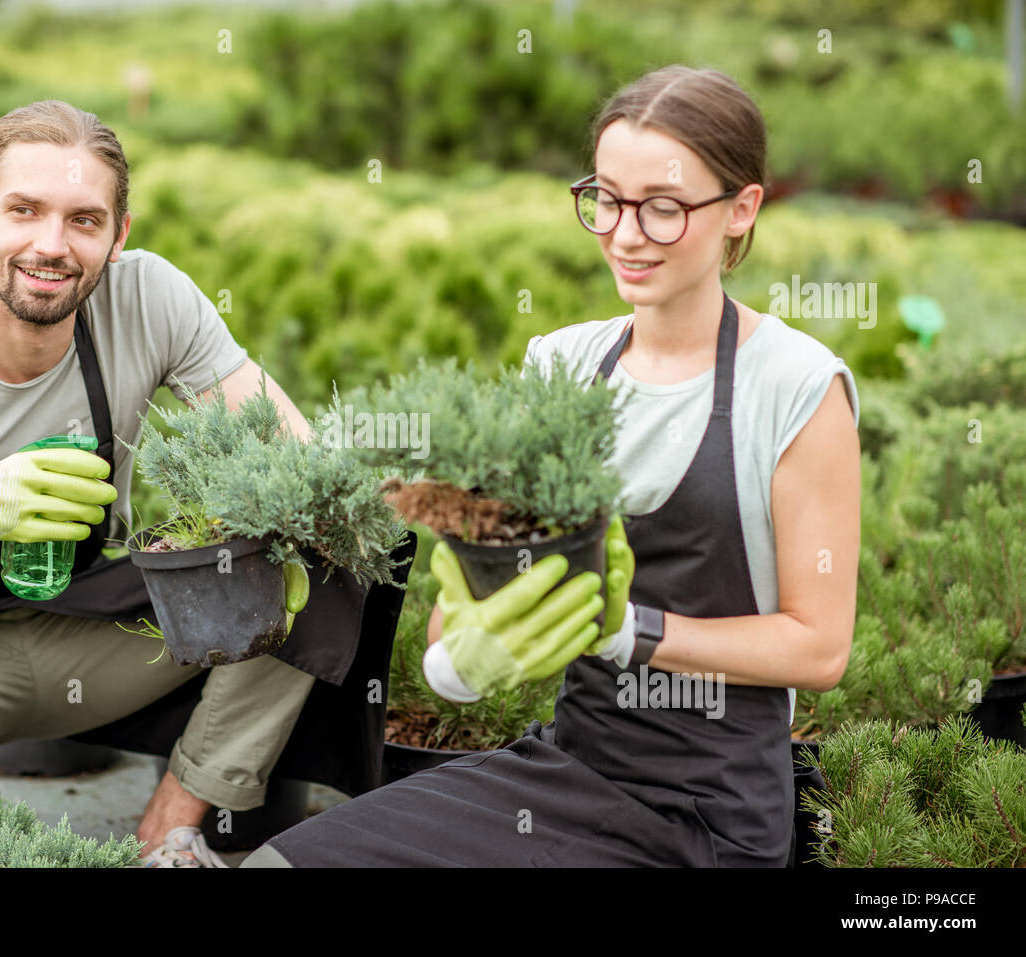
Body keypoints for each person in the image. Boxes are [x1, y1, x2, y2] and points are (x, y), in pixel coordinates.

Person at [243, 65, 861, 867]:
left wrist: (626, 631)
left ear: (741, 208)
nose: (625, 233)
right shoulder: (564, 364)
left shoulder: (798, 387)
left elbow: (818, 648)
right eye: (605, 197)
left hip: (710, 817)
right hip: (566, 769)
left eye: (664, 208)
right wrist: (461, 653)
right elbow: (473, 594)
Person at [0, 100, 335, 869]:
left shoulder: (149, 298)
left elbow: (303, 466)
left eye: (84, 220)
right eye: (23, 210)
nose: (50, 245)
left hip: (93, 626)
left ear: (118, 236)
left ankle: (172, 825)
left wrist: (266, 532)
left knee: (322, 559)